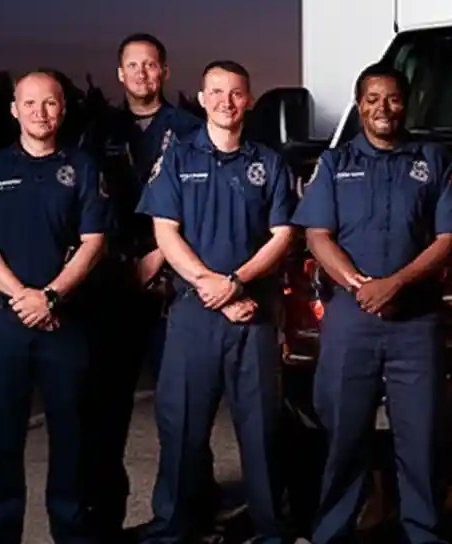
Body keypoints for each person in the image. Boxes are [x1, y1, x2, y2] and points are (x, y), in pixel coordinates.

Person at [292, 63, 452, 544]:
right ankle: (333, 532)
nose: (383, 108)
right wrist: (358, 286)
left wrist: (394, 284)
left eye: (392, 98)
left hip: (416, 322)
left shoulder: (433, 161)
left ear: (405, 103)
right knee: (343, 438)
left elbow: (448, 237)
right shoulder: (333, 164)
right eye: (372, 99)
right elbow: (316, 235)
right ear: (359, 104)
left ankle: (424, 533)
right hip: (352, 321)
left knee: (422, 441)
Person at [136, 60, 297, 543]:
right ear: (202, 99)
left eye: (236, 93)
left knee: (262, 432)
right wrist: (212, 286)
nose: (226, 102)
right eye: (216, 92)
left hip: (253, 317)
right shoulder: (178, 159)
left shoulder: (268, 163)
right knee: (181, 428)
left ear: (248, 99)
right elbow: (165, 233)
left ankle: (270, 530)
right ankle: (175, 528)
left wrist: (236, 282)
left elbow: (283, 234)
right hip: (193, 315)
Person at [0, 69, 111, 543]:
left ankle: (72, 535)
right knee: (1, 443)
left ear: (62, 108)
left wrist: (50, 296)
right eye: (29, 103)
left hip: (65, 322)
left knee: (72, 442)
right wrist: (21, 297)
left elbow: (93, 243)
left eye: (49, 103)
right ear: (14, 109)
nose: (40, 113)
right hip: (4, 323)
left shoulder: (84, 167)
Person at [76, 32, 205, 537]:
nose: (142, 74)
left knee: (180, 409)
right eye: (133, 66)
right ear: (119, 74)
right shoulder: (97, 132)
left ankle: (183, 515)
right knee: (106, 411)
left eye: (151, 65)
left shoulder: (191, 130)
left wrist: (159, 259)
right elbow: (86, 207)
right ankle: (104, 518)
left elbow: (201, 207)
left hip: (172, 285)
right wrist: (113, 262)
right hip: (113, 286)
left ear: (165, 72)